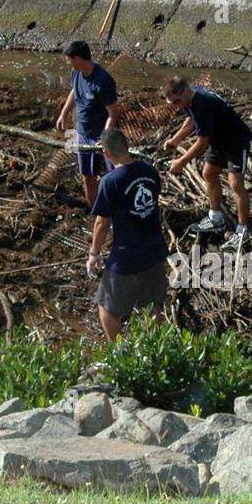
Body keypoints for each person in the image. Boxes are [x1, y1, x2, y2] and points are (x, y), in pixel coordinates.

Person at [87, 128, 170, 340]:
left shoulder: (110, 181)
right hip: (155, 249)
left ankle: (118, 354)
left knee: (107, 306)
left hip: (127, 256)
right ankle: (156, 349)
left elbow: (101, 223)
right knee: (151, 305)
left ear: (106, 153)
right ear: (127, 146)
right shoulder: (149, 170)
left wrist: (94, 253)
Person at [161, 77, 252, 251]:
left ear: (185, 91)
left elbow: (202, 143)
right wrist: (176, 139)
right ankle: (216, 218)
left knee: (236, 185)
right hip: (218, 140)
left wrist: (181, 161)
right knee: (208, 174)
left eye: (176, 101)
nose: (176, 106)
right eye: (171, 103)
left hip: (236, 141)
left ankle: (242, 233)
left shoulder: (203, 103)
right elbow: (191, 120)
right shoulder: (190, 100)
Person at [55, 40, 121, 208]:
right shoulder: (76, 72)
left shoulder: (103, 80)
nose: (67, 63)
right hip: (83, 133)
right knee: (87, 177)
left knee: (114, 178)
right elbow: (74, 91)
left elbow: (113, 114)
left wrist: (105, 137)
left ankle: (117, 215)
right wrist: (64, 114)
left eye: (68, 59)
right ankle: (95, 211)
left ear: (77, 58)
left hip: (103, 135)